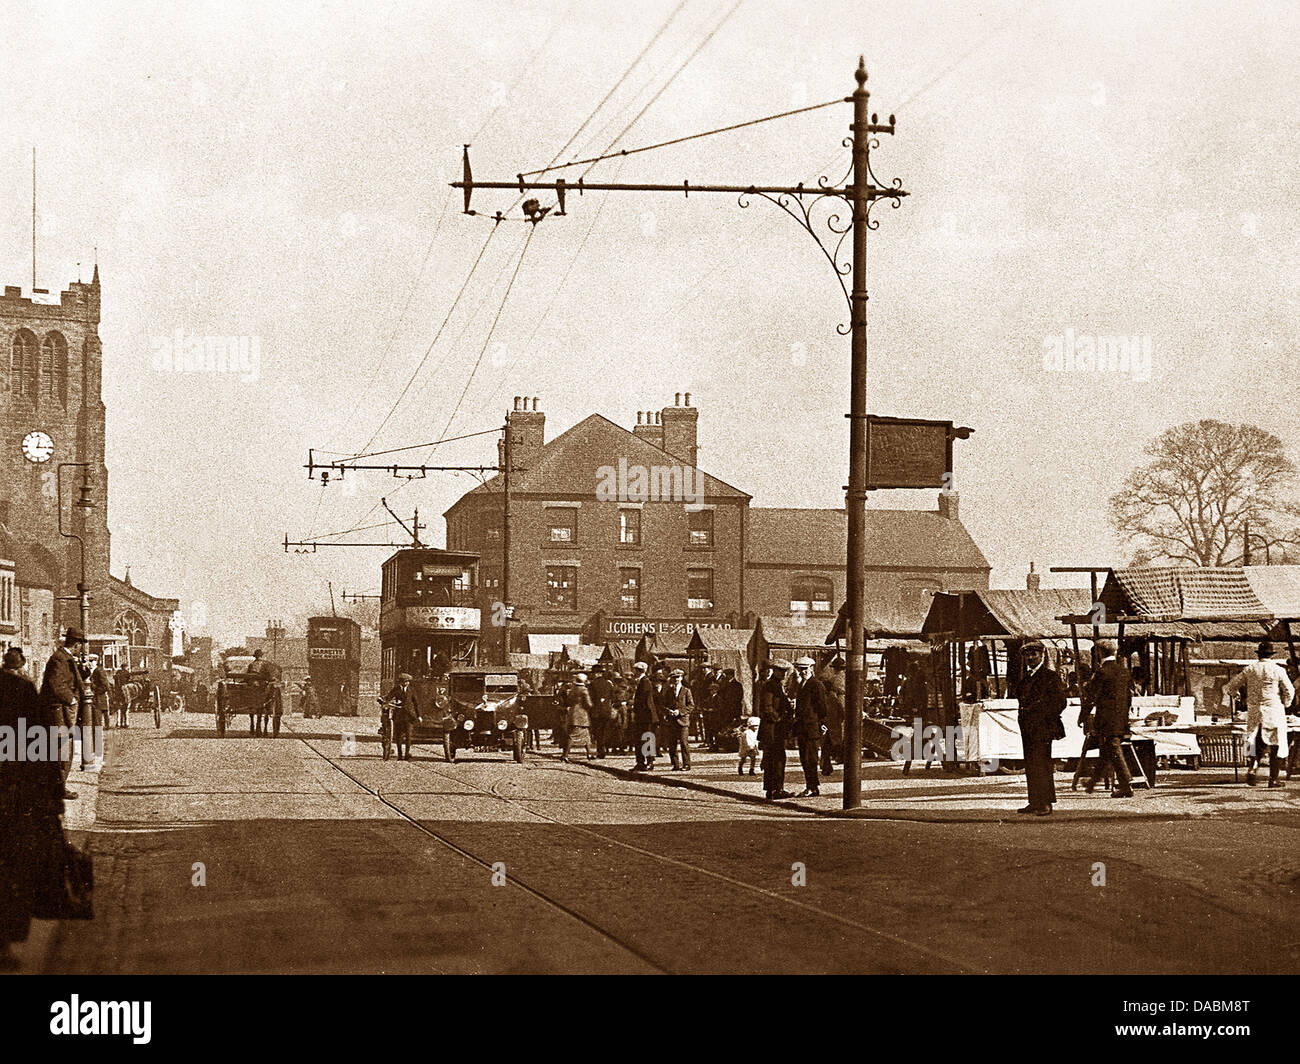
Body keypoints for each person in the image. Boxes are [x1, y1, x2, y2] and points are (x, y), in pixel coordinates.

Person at [0, 647, 67, 970]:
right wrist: (53, 793)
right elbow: (39, 744)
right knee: (12, 870)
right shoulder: (19, 689)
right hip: (11, 796)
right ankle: (3, 944)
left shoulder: (20, 689)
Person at [1226, 641, 1294, 788]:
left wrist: (1239, 697)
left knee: (1252, 740)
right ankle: (1273, 779)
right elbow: (1289, 690)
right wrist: (1286, 703)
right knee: (1275, 743)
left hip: (1255, 710)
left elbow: (1231, 687)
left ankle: (1251, 771)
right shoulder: (1278, 670)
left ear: (1259, 654)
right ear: (1271, 655)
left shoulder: (1250, 669)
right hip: (1273, 710)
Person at [1016, 640, 1067, 815]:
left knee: (1042, 764)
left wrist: (1041, 715)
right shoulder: (1025, 679)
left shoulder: (1050, 677)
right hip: (1028, 728)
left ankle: (1045, 802)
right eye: (1027, 655)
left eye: (1034, 654)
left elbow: (1060, 702)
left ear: (1042, 655)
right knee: (1031, 764)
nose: (1030, 658)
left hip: (1042, 727)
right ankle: (1034, 801)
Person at [1079, 641, 1134, 798]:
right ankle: (1092, 783)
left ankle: (1126, 784)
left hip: (1106, 719)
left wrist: (1083, 715)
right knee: (1107, 750)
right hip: (1121, 718)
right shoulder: (1124, 671)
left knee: (1113, 747)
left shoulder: (1101, 673)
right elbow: (1129, 697)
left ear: (1098, 653)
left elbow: (1091, 697)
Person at [41, 628, 88, 800]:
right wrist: (72, 699)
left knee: (63, 750)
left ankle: (58, 786)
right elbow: (56, 684)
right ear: (76, 645)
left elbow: (71, 680)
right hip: (58, 712)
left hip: (61, 711)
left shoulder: (65, 658)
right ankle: (58, 788)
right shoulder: (59, 659)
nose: (81, 649)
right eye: (81, 646)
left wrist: (84, 671)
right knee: (62, 750)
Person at [791, 657, 829, 797]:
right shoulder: (802, 685)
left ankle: (813, 787)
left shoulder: (816, 685)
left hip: (811, 727)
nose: (802, 672)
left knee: (810, 758)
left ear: (811, 669)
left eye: (805, 669)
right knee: (804, 758)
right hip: (803, 727)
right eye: (800, 669)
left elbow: (822, 707)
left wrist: (822, 723)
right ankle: (810, 785)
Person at [758, 660, 794, 800]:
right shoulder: (770, 686)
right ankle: (776, 789)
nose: (784, 674)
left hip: (774, 729)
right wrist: (778, 719)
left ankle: (773, 789)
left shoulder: (776, 685)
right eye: (781, 671)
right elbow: (767, 707)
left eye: (785, 671)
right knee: (776, 759)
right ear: (775, 671)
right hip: (772, 729)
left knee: (773, 758)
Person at [381, 673, 421, 761]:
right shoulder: (396, 689)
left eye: (408, 682)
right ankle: (400, 754)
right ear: (401, 682)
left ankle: (407, 754)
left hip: (409, 716)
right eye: (405, 681)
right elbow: (389, 697)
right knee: (398, 736)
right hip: (398, 716)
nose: (407, 683)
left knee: (408, 735)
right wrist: (385, 701)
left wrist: (419, 716)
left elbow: (416, 703)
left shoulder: (412, 690)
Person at [661, 668, 694, 771]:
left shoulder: (686, 691)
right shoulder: (669, 691)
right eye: (674, 678)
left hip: (683, 721)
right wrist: (668, 711)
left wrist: (680, 712)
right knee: (672, 743)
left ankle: (687, 764)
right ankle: (675, 764)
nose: (676, 680)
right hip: (671, 721)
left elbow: (691, 705)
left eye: (678, 677)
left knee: (684, 743)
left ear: (681, 678)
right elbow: (663, 705)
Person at [630, 662, 659, 771]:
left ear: (638, 671)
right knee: (639, 739)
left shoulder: (645, 682)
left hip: (646, 716)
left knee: (647, 739)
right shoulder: (641, 682)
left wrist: (634, 704)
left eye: (635, 670)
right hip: (642, 715)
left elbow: (644, 701)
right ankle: (640, 762)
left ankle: (650, 762)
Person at [562, 673, 593, 762]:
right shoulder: (584, 690)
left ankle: (566, 754)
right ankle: (588, 754)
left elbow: (568, 701)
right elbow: (588, 704)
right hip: (581, 714)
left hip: (572, 713)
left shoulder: (572, 690)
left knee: (572, 735)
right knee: (585, 735)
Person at [589, 666, 615, 760]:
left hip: (596, 712)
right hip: (607, 711)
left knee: (598, 732)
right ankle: (605, 748)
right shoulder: (608, 684)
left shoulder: (592, 684)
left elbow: (590, 699)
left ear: (596, 673)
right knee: (606, 730)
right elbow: (613, 697)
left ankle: (601, 750)